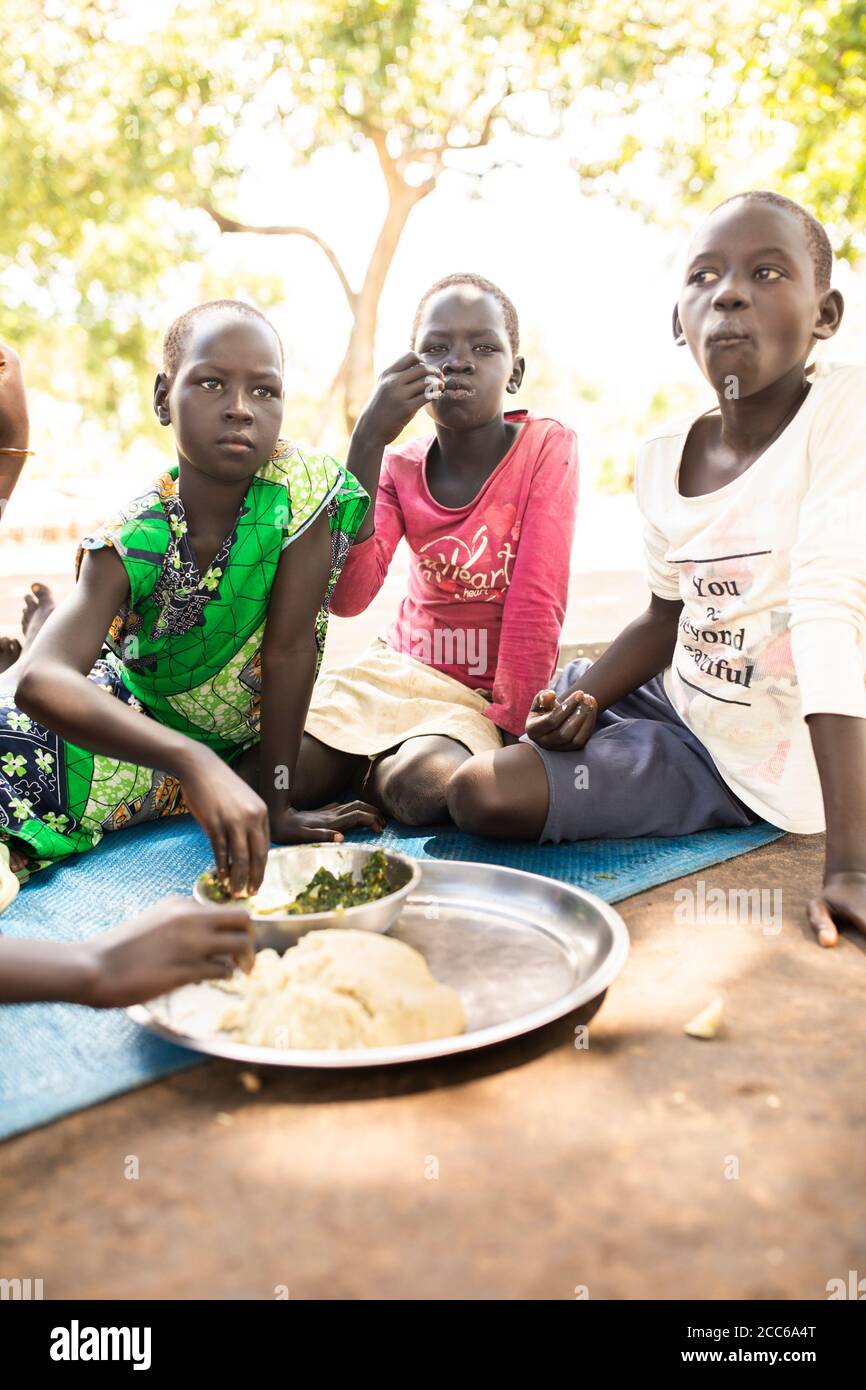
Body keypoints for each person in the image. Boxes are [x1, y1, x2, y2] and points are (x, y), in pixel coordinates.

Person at [447, 192, 866, 948]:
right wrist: (594, 698)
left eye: (767, 272)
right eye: (704, 276)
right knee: (536, 710)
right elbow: (666, 615)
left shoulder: (843, 414)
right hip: (670, 695)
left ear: (825, 313)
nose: (730, 292)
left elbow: (830, 610)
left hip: (743, 764)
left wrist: (852, 870)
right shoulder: (663, 458)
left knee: (482, 796)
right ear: (679, 321)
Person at [0, 301, 383, 899]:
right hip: (136, 725)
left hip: (238, 739)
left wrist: (278, 806)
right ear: (162, 398)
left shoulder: (301, 490)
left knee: (321, 767)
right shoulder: (134, 540)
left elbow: (288, 650)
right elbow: (42, 684)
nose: (239, 408)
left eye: (265, 391)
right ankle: (54, 635)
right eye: (211, 383)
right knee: (26, 763)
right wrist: (191, 761)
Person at [294, 272, 579, 825]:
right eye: (437, 347)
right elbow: (349, 597)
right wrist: (368, 440)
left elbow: (536, 602)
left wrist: (514, 726)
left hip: (477, 693)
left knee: (422, 786)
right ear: (411, 368)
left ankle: (374, 767)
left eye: (485, 347)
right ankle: (363, 761)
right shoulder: (397, 466)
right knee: (278, 772)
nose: (460, 360)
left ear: (514, 371)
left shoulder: (548, 446)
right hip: (395, 672)